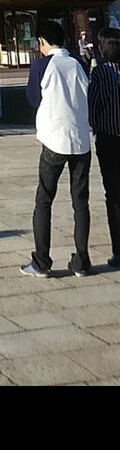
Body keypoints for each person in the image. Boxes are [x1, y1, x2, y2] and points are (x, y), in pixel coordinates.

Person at [20, 18, 92, 278]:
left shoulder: (42, 65)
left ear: (42, 42)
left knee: (44, 200)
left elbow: (32, 99)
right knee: (80, 201)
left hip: (54, 140)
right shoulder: (78, 63)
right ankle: (82, 261)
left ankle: (41, 261)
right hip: (81, 139)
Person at [88, 26, 120, 268]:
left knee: (114, 194)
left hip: (109, 139)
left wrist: (96, 128)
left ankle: (118, 250)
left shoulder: (100, 74)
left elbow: (93, 106)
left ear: (102, 48)